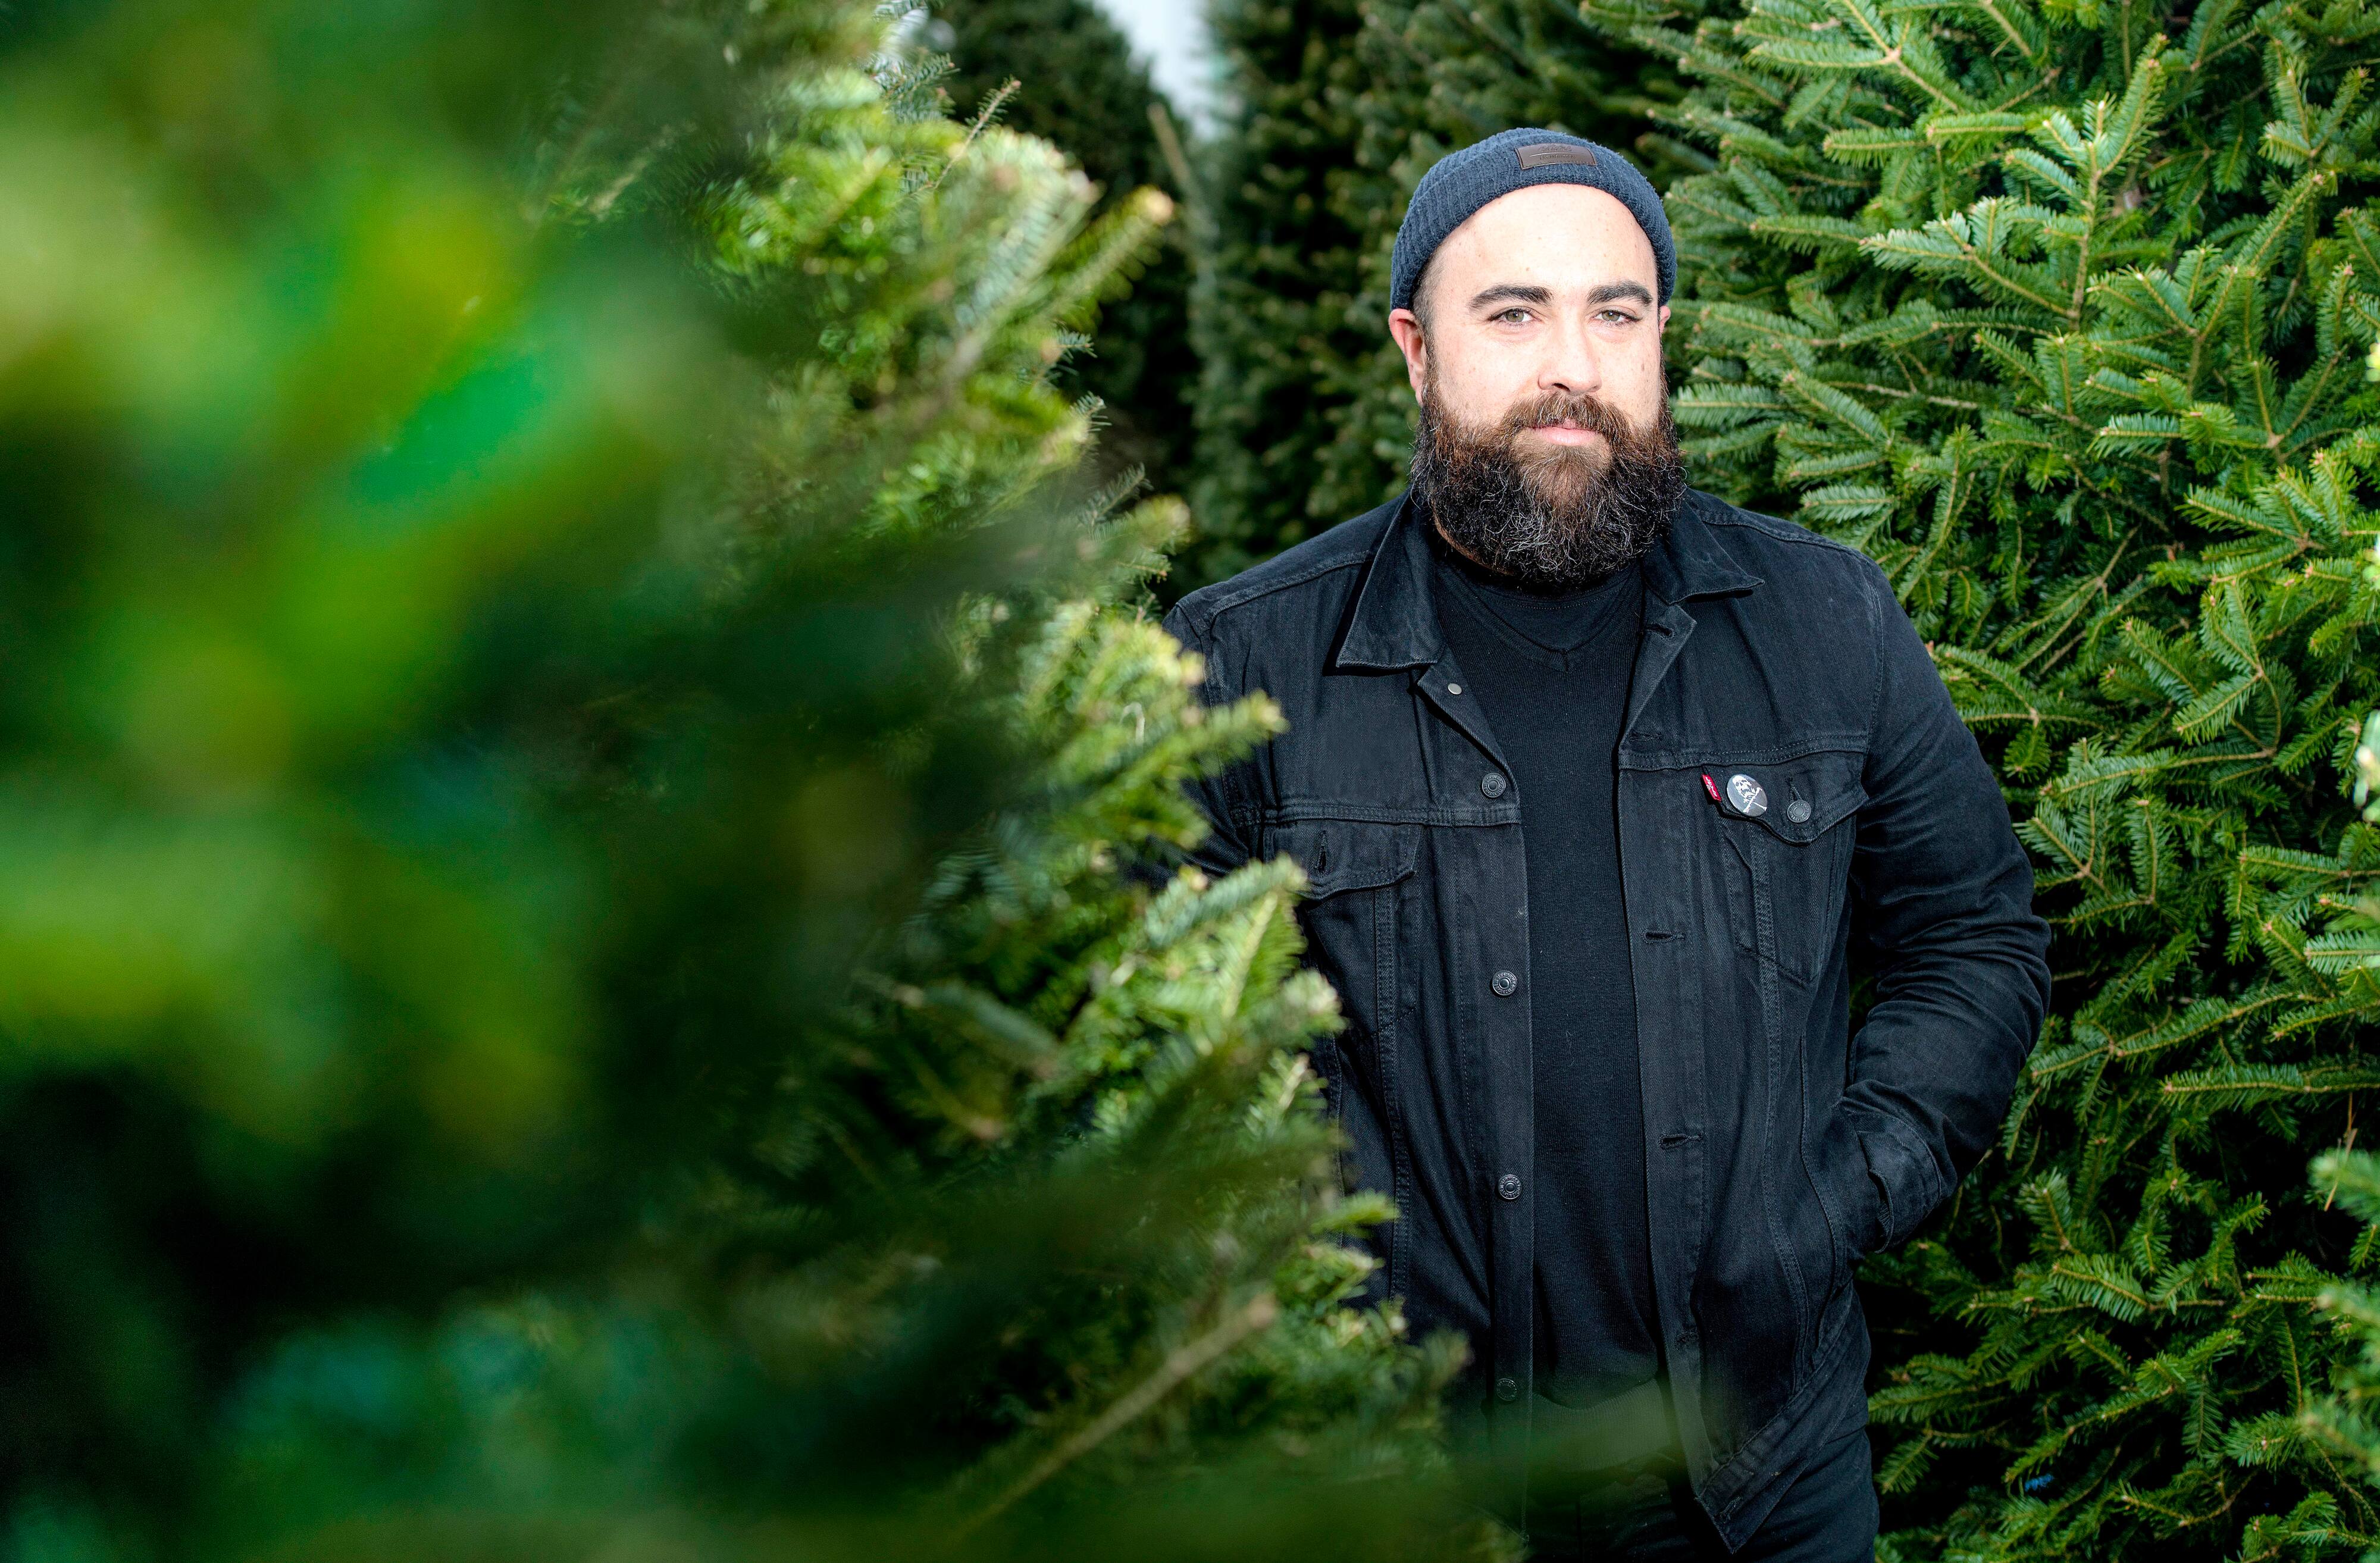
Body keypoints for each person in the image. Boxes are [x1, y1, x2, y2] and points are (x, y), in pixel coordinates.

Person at [1161, 128, 2051, 1560]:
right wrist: (1330, 1275)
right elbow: (1159, 1043)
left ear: (1655, 339)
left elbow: (1972, 942)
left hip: (1763, 1484)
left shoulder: (1824, 623)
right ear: (1415, 349)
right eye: (1511, 313)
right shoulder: (1241, 664)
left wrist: (1827, 1205)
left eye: (1613, 312)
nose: (1568, 362)